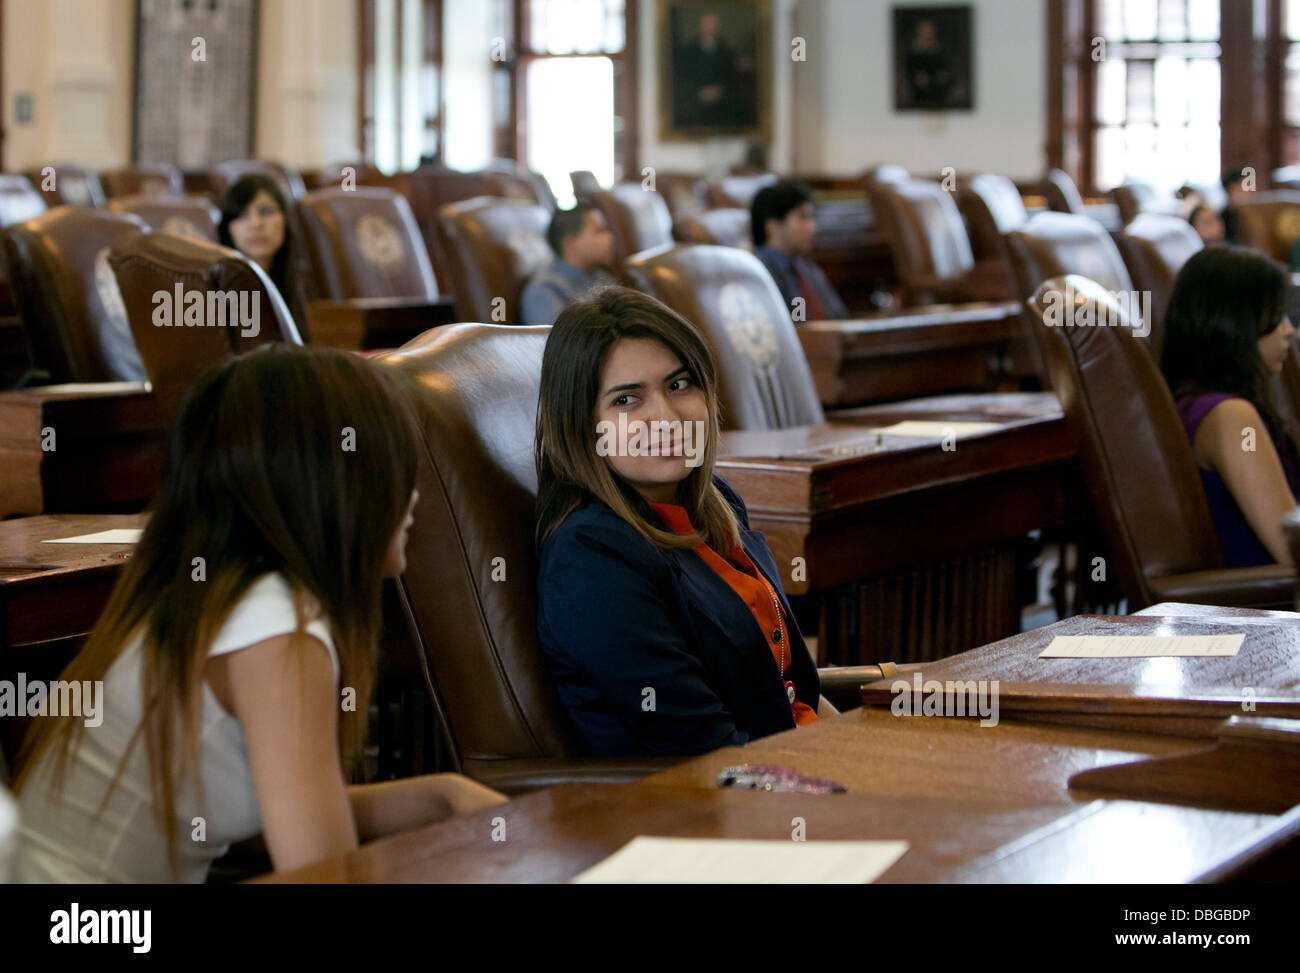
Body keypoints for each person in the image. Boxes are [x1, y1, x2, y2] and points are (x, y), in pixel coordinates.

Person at [13, 345, 507, 882]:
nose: (413, 494)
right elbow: (326, 875)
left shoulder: (231, 596)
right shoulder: (279, 631)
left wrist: (440, 796)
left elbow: (251, 817)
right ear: (330, 480)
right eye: (394, 462)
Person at [534, 287, 827, 758]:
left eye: (678, 385)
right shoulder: (591, 558)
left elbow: (792, 690)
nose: (666, 418)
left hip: (797, 764)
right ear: (581, 425)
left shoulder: (714, 503)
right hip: (717, 806)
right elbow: (702, 749)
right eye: (627, 400)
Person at [1161, 245, 1299, 567]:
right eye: (1275, 317)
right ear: (1234, 324)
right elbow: (1292, 551)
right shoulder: (1231, 417)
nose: (1289, 330)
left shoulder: (1193, 398)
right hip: (1265, 607)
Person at [218, 175, 305, 334]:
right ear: (228, 228)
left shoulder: (295, 284)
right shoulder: (217, 293)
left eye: (266, 211)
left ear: (285, 219)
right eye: (242, 214)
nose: (255, 224)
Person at [751, 180, 848, 322]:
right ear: (773, 225)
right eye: (802, 217)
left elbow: (839, 317)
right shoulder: (756, 273)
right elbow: (799, 325)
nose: (812, 227)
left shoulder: (807, 270)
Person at [520, 203, 616, 325]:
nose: (609, 237)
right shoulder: (543, 291)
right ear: (570, 242)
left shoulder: (601, 276)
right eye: (599, 231)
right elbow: (556, 342)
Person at [1218, 166, 1251, 244]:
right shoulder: (1223, 217)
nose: (1249, 190)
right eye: (1245, 186)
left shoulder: (1247, 213)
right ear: (1232, 188)